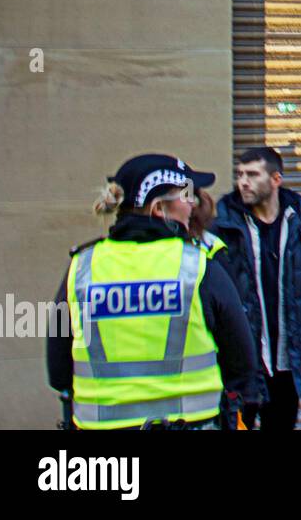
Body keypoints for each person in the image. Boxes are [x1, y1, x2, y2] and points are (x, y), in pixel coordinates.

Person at [47, 154, 262, 429]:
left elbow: (58, 373)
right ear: (159, 209)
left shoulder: (81, 269)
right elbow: (242, 363)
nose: (193, 203)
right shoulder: (197, 267)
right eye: (186, 195)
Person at [210, 146, 301, 430]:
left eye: (252, 175)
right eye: (240, 174)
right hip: (241, 365)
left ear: (276, 179)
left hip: (286, 364)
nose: (243, 182)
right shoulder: (224, 227)